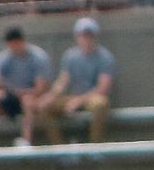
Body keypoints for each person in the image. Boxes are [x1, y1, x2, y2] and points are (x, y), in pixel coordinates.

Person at [37, 17, 114, 146]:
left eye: (89, 35)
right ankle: (59, 147)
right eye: (82, 35)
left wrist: (79, 101)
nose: (86, 38)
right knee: (44, 105)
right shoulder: (70, 56)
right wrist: (51, 95)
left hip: (91, 98)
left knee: (101, 104)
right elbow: (63, 81)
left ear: (95, 36)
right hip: (72, 97)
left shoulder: (105, 57)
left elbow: (102, 88)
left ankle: (95, 146)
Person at [0, 27, 53, 149]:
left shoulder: (38, 58)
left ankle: (26, 141)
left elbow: (40, 88)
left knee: (27, 100)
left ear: (22, 42)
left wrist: (23, 93)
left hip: (30, 97)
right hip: (9, 97)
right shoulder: (3, 59)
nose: (13, 48)